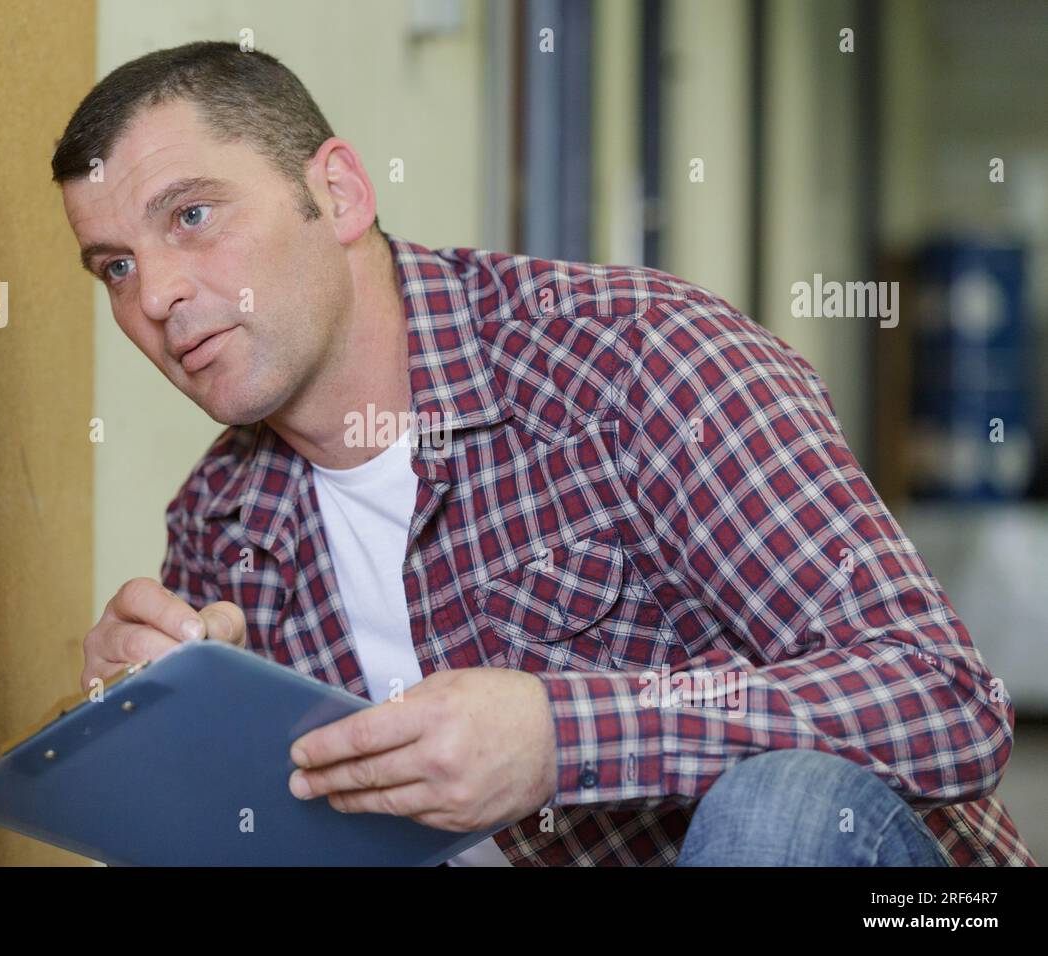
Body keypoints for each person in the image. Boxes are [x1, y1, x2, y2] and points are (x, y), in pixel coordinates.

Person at [53, 41, 1034, 866]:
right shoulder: (221, 519)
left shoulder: (639, 357)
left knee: (781, 811)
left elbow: (943, 693)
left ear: (340, 193)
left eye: (192, 215)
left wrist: (564, 735)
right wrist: (148, 739)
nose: (155, 296)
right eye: (116, 267)